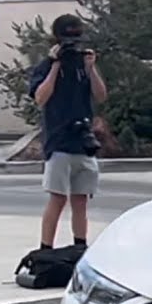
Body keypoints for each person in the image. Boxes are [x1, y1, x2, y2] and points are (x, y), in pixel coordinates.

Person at [27, 14, 107, 250]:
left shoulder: (83, 65)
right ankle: (45, 249)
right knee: (58, 198)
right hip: (59, 142)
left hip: (83, 141)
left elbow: (101, 96)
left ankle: (80, 246)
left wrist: (91, 69)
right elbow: (40, 98)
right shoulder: (46, 66)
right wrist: (55, 65)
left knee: (81, 200)